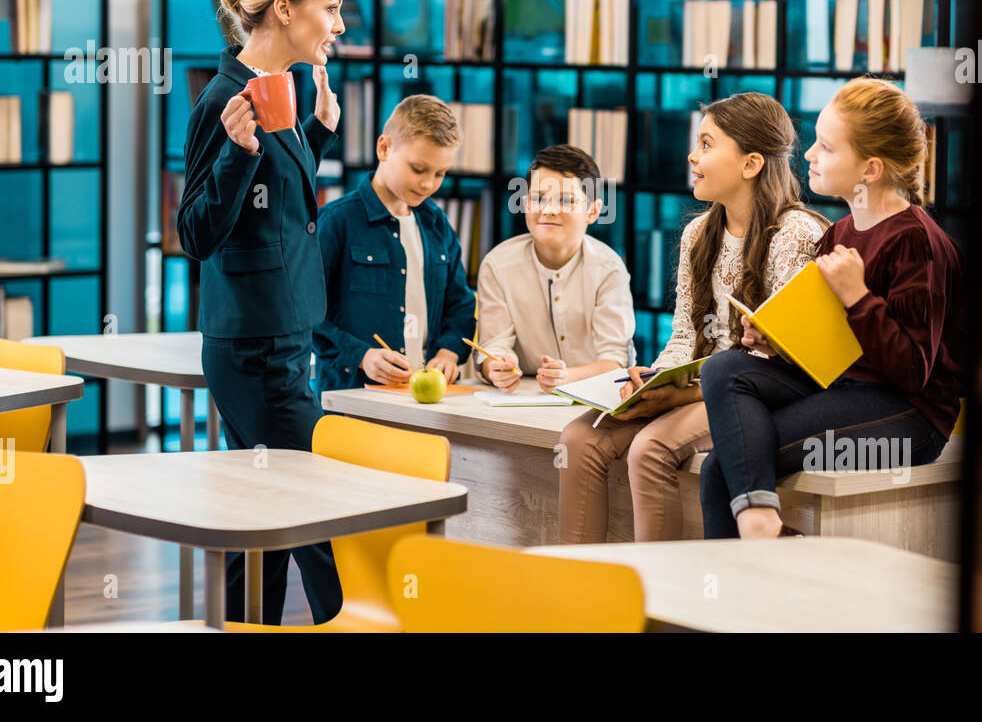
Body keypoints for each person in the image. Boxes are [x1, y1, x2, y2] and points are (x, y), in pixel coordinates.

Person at [698, 77, 964, 539]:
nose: (808, 156)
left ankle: (763, 538)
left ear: (870, 169)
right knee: (724, 369)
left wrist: (857, 296)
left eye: (826, 147)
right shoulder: (839, 234)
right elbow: (832, 346)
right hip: (844, 388)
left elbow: (912, 372)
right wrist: (778, 342)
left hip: (910, 416)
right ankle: (766, 533)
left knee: (723, 468)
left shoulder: (916, 241)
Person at [557, 91, 828, 543]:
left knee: (649, 448)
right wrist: (655, 381)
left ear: (751, 163)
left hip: (750, 395)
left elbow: (779, 362)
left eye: (706, 144)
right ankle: (578, 590)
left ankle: (662, 601)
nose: (691, 155)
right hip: (693, 389)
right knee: (578, 440)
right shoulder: (697, 233)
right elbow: (683, 335)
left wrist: (676, 398)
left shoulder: (798, 234)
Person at [177, 0, 344, 624]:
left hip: (285, 344)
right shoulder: (223, 100)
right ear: (284, 9)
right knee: (328, 520)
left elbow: (274, 213)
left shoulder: (287, 95)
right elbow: (195, 233)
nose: (337, 24)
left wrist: (317, 136)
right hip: (253, 354)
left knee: (265, 532)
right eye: (329, 8)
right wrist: (238, 155)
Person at [312, 94, 477, 391]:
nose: (429, 184)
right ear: (384, 148)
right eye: (418, 169)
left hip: (425, 404)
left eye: (440, 173)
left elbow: (461, 305)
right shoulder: (336, 221)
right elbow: (303, 315)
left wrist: (448, 353)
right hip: (351, 401)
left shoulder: (438, 225)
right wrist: (362, 356)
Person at [474, 144, 635, 393]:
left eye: (566, 200)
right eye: (538, 199)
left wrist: (567, 377)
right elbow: (492, 348)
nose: (548, 210)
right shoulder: (497, 265)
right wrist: (495, 367)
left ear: (592, 211)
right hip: (519, 397)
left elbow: (616, 361)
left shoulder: (609, 269)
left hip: (593, 396)